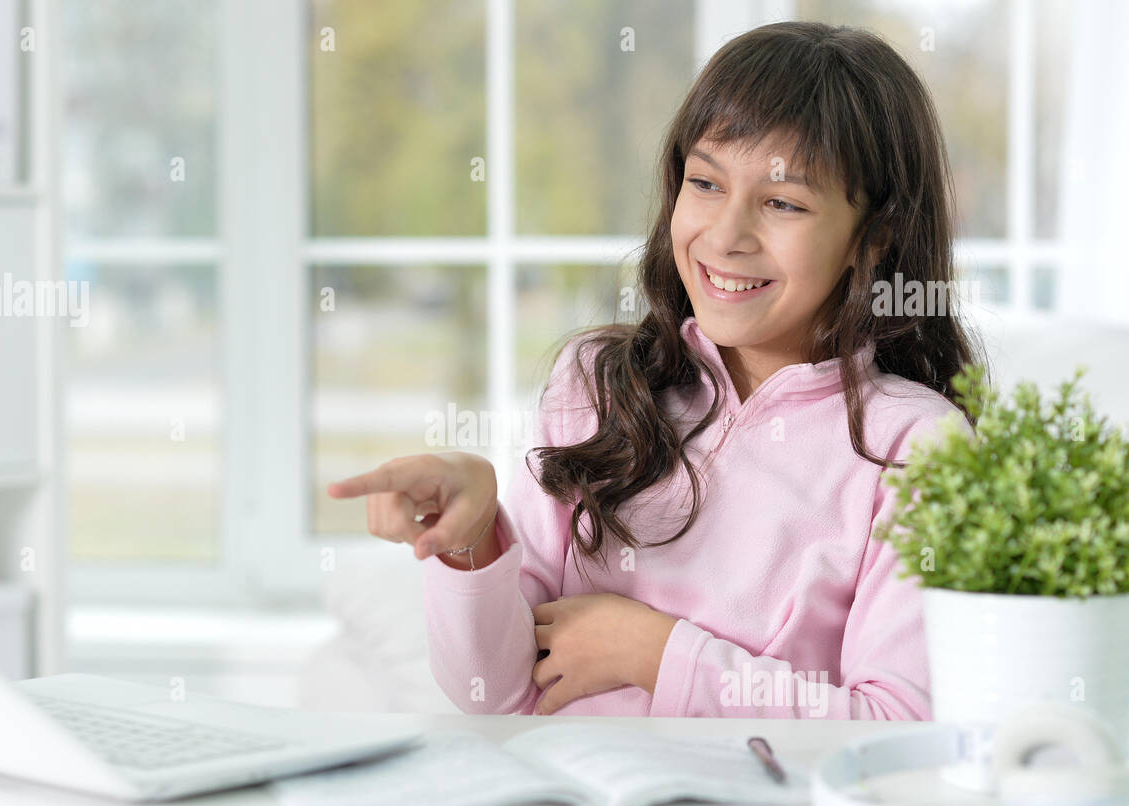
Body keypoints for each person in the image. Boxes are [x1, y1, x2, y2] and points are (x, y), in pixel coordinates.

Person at [327, 21, 988, 720]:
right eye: (705, 183)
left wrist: (657, 652)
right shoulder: (598, 383)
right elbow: (494, 691)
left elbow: (896, 726)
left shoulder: (917, 447)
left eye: (783, 203)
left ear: (873, 239)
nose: (726, 235)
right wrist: (473, 540)